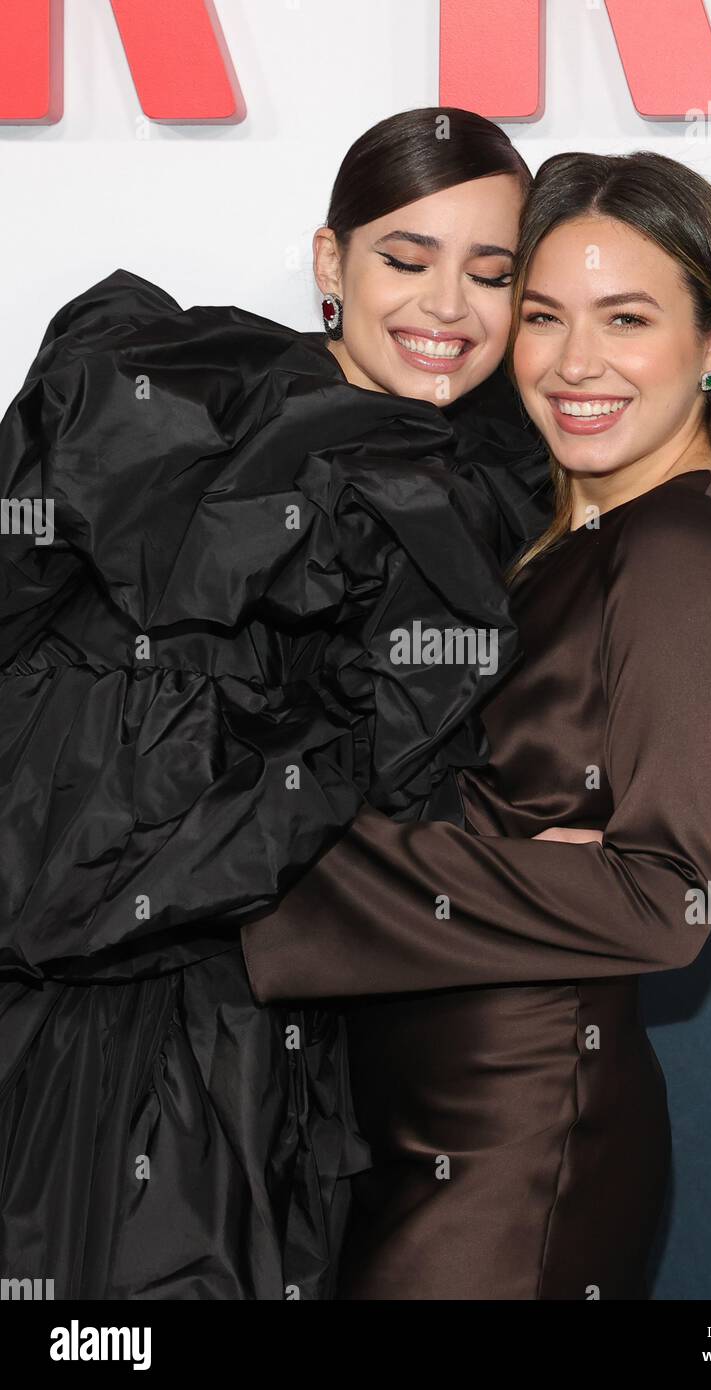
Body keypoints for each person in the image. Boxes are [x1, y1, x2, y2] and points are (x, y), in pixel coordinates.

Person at [242, 150, 711, 1300]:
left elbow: (665, 899)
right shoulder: (574, 535)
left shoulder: (677, 545)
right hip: (432, 1113)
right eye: (545, 316)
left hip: (516, 1148)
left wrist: (266, 881)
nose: (573, 364)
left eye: (626, 318)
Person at [0, 108, 551, 1299]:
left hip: (262, 1051)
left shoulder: (479, 495)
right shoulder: (182, 421)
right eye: (406, 258)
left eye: (490, 272)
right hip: (106, 1049)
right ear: (329, 266)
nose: (446, 305)